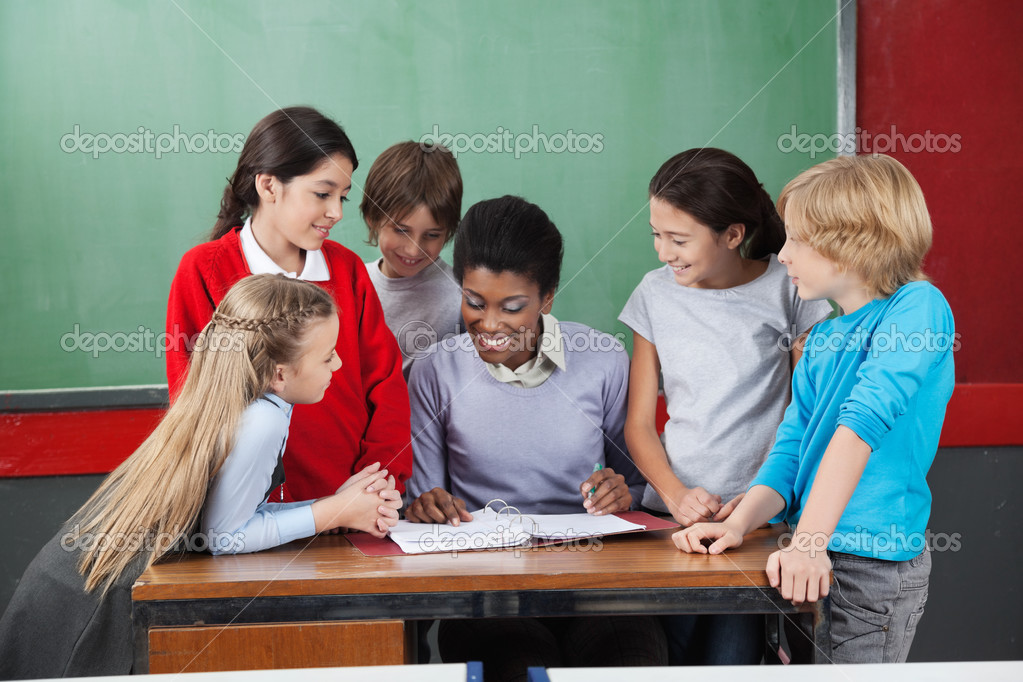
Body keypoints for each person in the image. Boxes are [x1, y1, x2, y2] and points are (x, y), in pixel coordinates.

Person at [0, 274, 401, 679]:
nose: (340, 363)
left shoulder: (255, 401)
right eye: (328, 355)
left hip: (76, 589)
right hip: (88, 611)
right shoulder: (262, 419)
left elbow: (234, 516)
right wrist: (333, 512)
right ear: (280, 374)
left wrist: (336, 506)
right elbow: (225, 537)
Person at [673, 154, 955, 664]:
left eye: (797, 240)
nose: (782, 255)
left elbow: (860, 425)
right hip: (807, 552)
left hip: (869, 563)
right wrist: (741, 524)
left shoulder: (918, 305)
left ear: (851, 243)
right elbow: (790, 450)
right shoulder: (821, 339)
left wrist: (808, 542)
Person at [406, 196, 665, 682]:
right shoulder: (435, 371)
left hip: (594, 581)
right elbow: (422, 501)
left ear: (547, 298)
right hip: (487, 589)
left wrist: (622, 493)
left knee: (633, 663)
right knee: (520, 668)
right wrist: (424, 505)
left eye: (513, 307)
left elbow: (638, 488)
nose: (490, 325)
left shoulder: (605, 361)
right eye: (474, 302)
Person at [618, 147, 832, 665]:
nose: (663, 252)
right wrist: (673, 495)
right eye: (655, 234)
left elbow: (811, 414)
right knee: (669, 657)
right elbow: (639, 426)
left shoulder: (790, 288)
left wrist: (759, 500)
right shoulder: (654, 294)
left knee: (731, 661)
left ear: (732, 234)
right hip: (672, 524)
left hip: (755, 526)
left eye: (678, 239)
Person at [166, 106, 411, 502]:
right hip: (249, 515)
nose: (337, 212)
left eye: (343, 197)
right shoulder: (205, 270)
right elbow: (193, 401)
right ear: (268, 186)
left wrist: (377, 482)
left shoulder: (346, 269)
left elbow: (386, 387)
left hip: (352, 505)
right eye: (322, 193)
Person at [360, 140, 464, 378]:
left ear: (448, 231)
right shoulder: (355, 287)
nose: (414, 250)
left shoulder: (462, 294)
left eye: (432, 235)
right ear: (372, 217)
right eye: (401, 230)